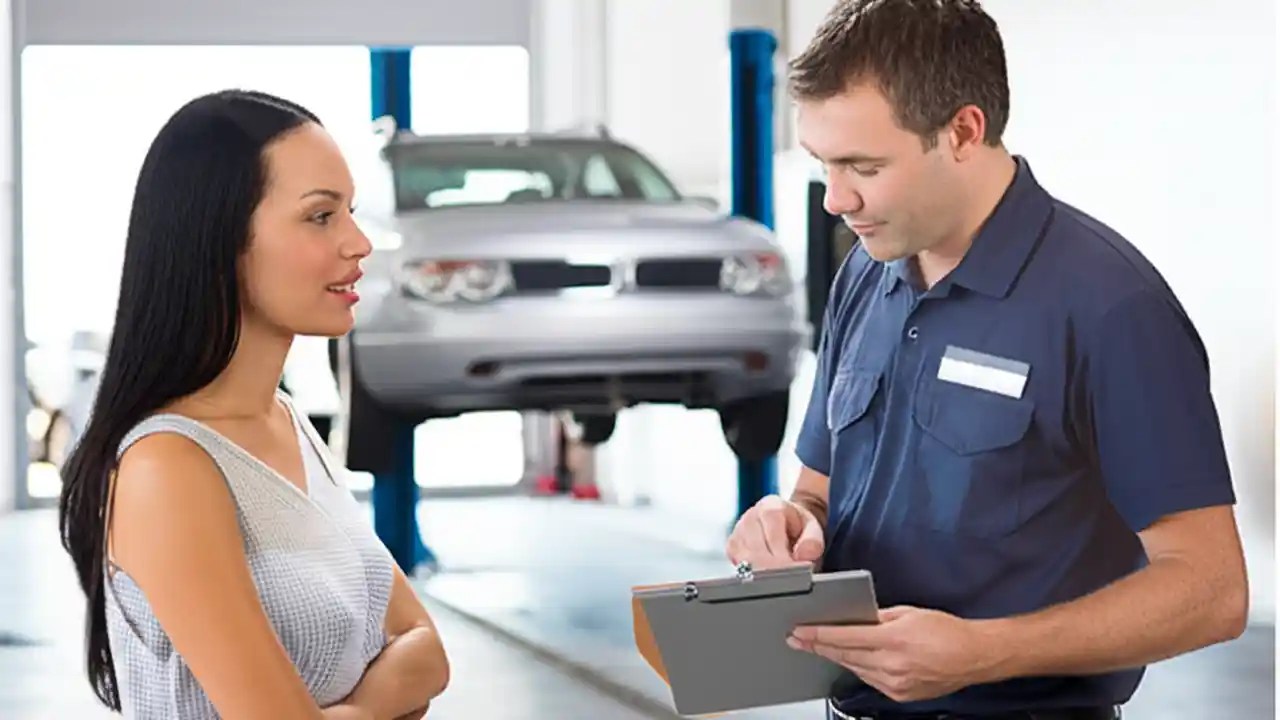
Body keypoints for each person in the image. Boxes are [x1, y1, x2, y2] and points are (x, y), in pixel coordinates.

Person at [725, 2, 1249, 718]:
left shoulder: (1109, 308)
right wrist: (790, 521)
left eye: (864, 166)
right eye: (824, 163)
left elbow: (1211, 591)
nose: (836, 199)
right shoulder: (866, 274)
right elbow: (817, 487)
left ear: (964, 132)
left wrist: (984, 651)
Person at [57, 89, 450, 720]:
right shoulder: (168, 467)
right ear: (220, 238)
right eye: (321, 217)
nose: (358, 244)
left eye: (349, 211)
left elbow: (426, 649)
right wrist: (383, 701)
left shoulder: (288, 427)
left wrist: (350, 713)